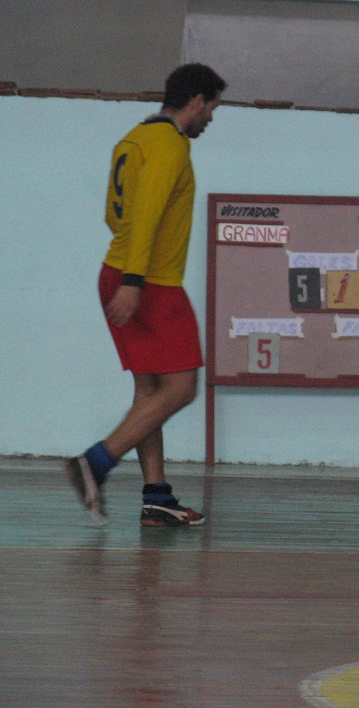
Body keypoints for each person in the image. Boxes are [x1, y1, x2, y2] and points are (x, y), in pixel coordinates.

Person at [64, 63, 226, 526]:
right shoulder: (171, 145)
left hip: (120, 271)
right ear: (196, 101)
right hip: (149, 281)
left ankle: (157, 498)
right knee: (181, 388)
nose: (211, 118)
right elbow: (150, 214)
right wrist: (135, 282)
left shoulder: (133, 139)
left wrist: (126, 275)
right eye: (212, 108)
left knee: (149, 390)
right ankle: (95, 463)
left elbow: (116, 217)